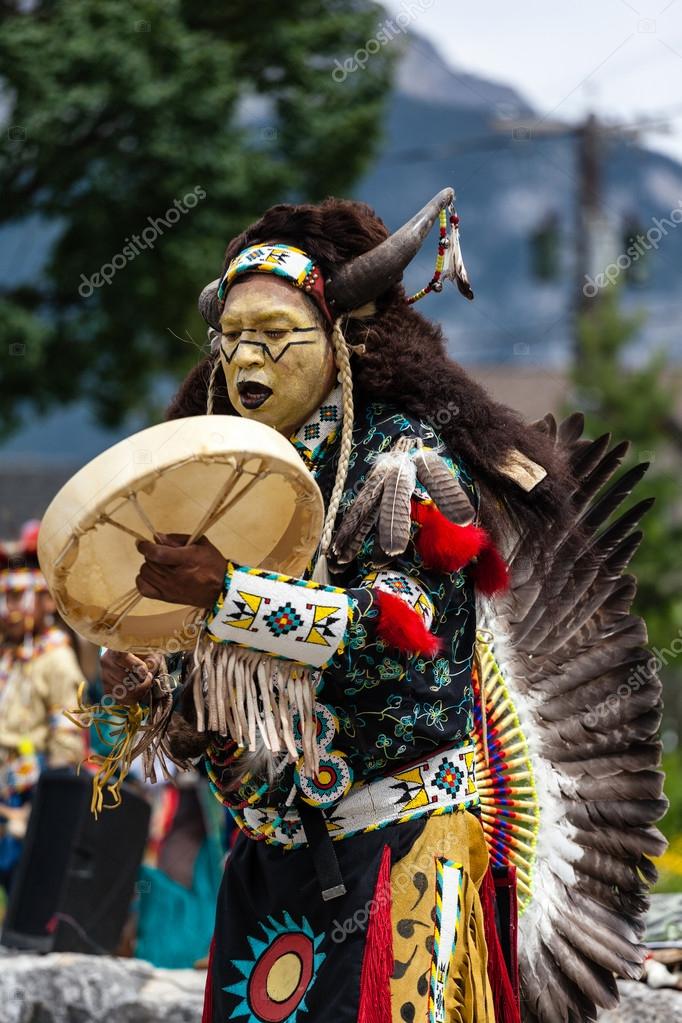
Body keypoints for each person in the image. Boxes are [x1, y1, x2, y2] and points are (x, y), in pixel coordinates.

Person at [99, 190, 664, 1023]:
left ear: (342, 335)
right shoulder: (220, 479)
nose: (248, 359)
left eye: (276, 336)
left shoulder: (405, 458)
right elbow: (227, 701)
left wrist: (228, 592)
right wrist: (159, 682)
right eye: (234, 337)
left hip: (394, 855)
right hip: (266, 866)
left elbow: (400, 631)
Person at [0, 520, 86, 893]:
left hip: (30, 793)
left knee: (26, 887)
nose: (8, 608)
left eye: (20, 596)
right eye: (5, 596)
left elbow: (67, 738)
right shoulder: (7, 652)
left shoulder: (56, 658)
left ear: (47, 600)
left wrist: (45, 809)